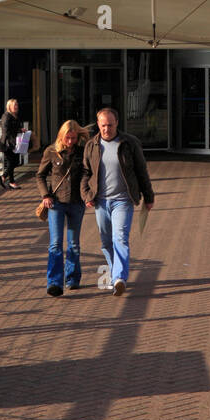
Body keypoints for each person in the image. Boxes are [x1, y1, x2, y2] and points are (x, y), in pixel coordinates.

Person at [82, 107, 154, 296]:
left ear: (117, 124)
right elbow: (86, 172)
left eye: (110, 125)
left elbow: (141, 170)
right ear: (98, 124)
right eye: (103, 125)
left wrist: (148, 197)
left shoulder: (129, 143)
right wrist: (86, 195)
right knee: (106, 242)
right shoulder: (92, 145)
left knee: (120, 238)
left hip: (123, 200)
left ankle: (120, 277)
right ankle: (115, 272)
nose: (107, 129)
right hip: (101, 201)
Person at [37, 119, 87, 297]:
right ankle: (54, 282)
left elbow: (88, 174)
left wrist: (86, 194)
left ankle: (72, 279)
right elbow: (40, 175)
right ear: (61, 136)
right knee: (55, 243)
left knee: (73, 243)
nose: (71, 141)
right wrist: (45, 195)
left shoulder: (82, 152)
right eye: (68, 138)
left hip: (76, 202)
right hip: (56, 203)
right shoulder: (51, 151)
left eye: (74, 138)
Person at [0, 98, 22, 190]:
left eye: (17, 105)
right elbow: (6, 130)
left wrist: (20, 130)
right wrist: (18, 131)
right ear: (9, 106)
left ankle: (10, 181)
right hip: (7, 143)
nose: (16, 107)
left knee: (13, 162)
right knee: (12, 162)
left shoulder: (15, 116)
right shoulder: (6, 116)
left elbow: (16, 127)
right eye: (14, 105)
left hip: (15, 142)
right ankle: (5, 178)